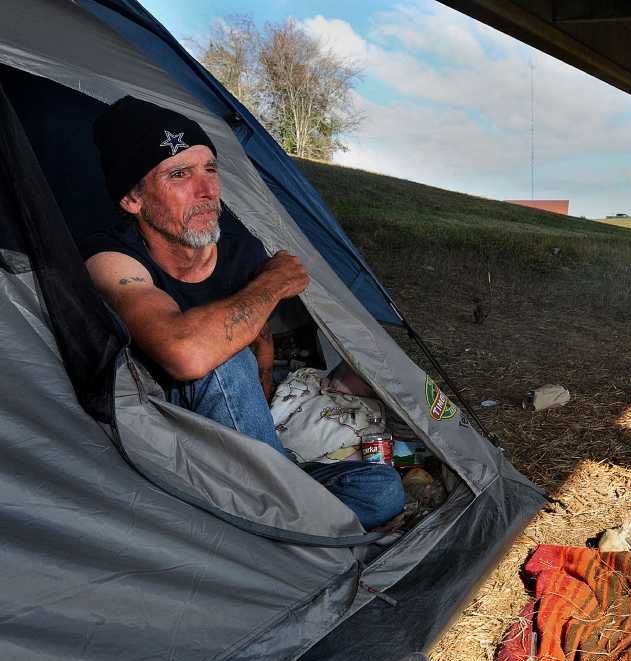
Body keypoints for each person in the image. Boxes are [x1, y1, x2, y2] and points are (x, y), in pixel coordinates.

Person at [79, 96, 403, 529]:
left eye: (210, 169)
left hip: (248, 453)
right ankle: (283, 512)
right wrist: (271, 283)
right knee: (221, 358)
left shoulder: (239, 250)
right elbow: (186, 354)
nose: (208, 191)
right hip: (169, 438)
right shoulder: (110, 259)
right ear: (133, 200)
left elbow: (261, 342)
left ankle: (275, 514)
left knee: (382, 488)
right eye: (179, 174)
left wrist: (264, 403)